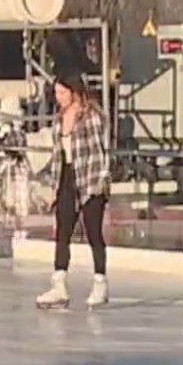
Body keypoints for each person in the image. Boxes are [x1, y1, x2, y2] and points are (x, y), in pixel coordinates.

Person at [37, 72, 111, 309]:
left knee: (93, 233)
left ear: (73, 91)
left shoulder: (92, 116)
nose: (57, 98)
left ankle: (100, 282)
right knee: (62, 232)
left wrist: (99, 182)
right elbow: (59, 156)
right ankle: (59, 284)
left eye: (61, 92)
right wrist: (53, 188)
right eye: (56, 93)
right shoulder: (60, 119)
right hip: (67, 178)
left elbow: (101, 150)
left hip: (90, 177)